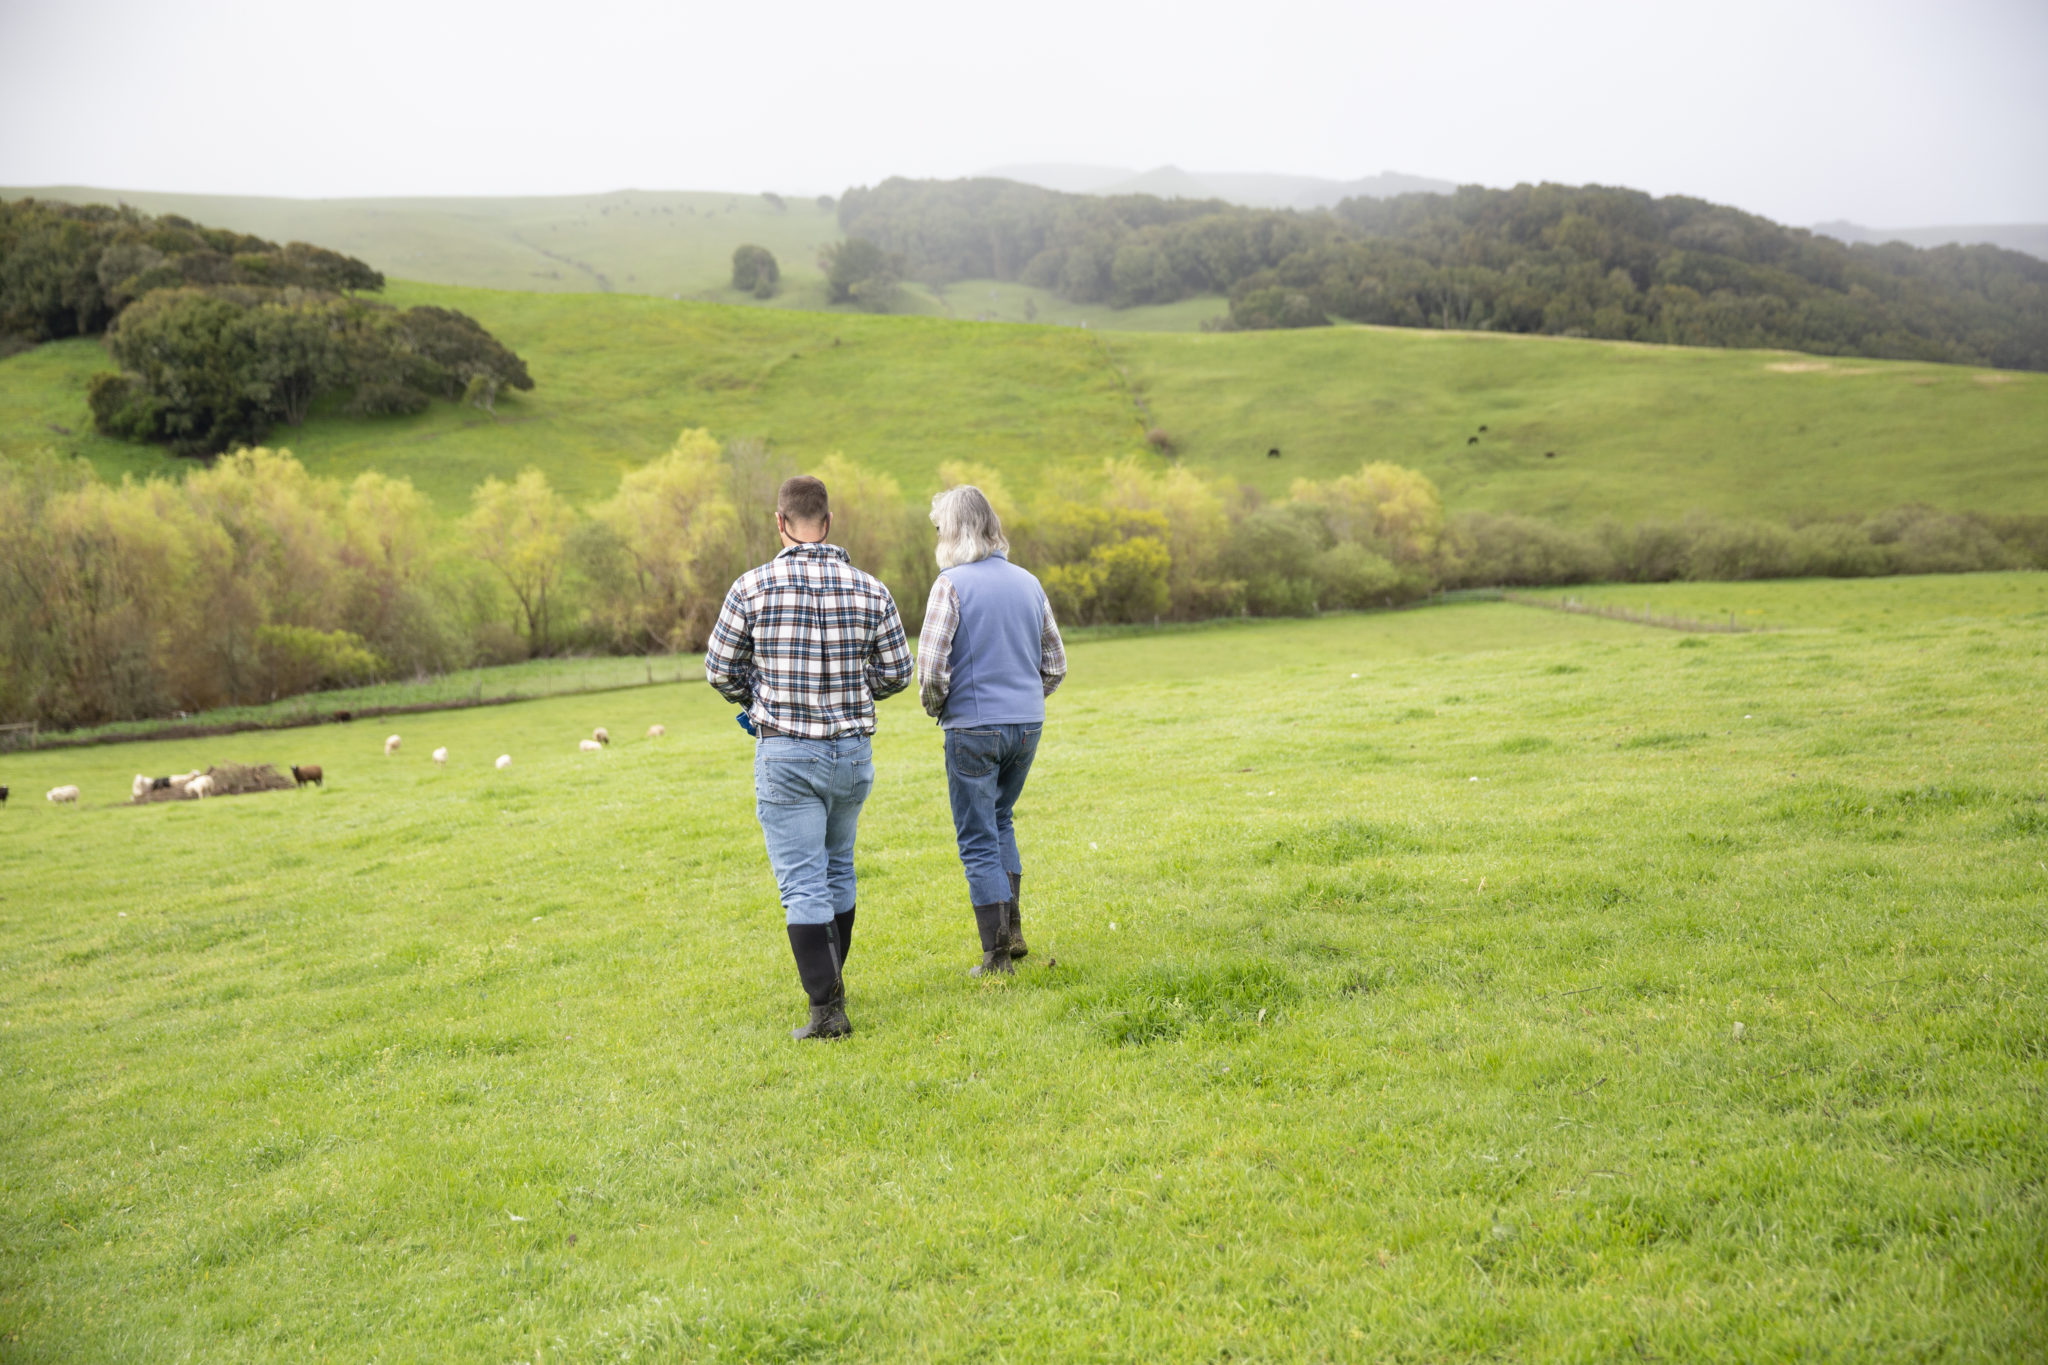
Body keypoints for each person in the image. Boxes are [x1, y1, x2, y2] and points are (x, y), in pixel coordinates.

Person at [705, 475, 913, 1040]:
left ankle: (827, 1012)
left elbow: (719, 669)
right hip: (850, 753)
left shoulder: (751, 587)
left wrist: (761, 695)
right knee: (838, 867)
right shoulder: (871, 589)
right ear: (827, 521)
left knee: (802, 882)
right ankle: (833, 982)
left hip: (787, 752)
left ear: (780, 522)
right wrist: (853, 687)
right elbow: (898, 671)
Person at [916, 486, 1067, 976]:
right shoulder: (1029, 582)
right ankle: (1014, 928)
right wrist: (1023, 701)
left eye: (940, 527)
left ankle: (997, 954)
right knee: (1001, 819)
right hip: (1027, 725)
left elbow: (932, 670)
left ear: (954, 530)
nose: (937, 536)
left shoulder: (950, 584)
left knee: (978, 836)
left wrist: (940, 709)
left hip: (972, 728)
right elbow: (1056, 663)